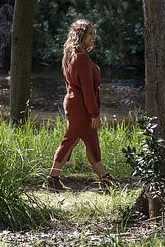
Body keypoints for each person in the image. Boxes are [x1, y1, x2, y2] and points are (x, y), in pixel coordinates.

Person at [45, 18, 114, 191]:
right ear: (81, 35)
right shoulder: (81, 58)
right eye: (90, 33)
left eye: (93, 33)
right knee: (74, 140)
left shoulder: (69, 54)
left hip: (73, 101)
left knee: (78, 139)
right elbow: (88, 90)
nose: (93, 37)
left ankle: (103, 178)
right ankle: (104, 179)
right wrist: (94, 113)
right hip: (81, 105)